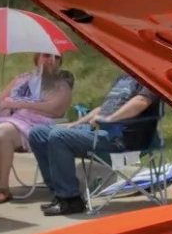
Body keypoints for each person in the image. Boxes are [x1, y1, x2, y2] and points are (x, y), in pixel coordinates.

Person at [26, 73, 162, 216]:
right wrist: (75, 124)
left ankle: (71, 200)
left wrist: (109, 119)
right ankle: (59, 192)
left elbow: (141, 102)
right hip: (100, 132)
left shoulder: (150, 79)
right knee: (38, 133)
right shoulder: (123, 79)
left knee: (59, 137)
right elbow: (103, 108)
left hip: (122, 139)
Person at [0, 53, 73, 206]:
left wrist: (19, 104)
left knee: (1, 132)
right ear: (36, 58)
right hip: (9, 119)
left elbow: (55, 109)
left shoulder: (60, 85)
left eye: (56, 58)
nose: (51, 60)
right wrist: (1, 106)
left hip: (36, 126)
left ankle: (2, 187)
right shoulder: (22, 79)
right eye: (46, 56)